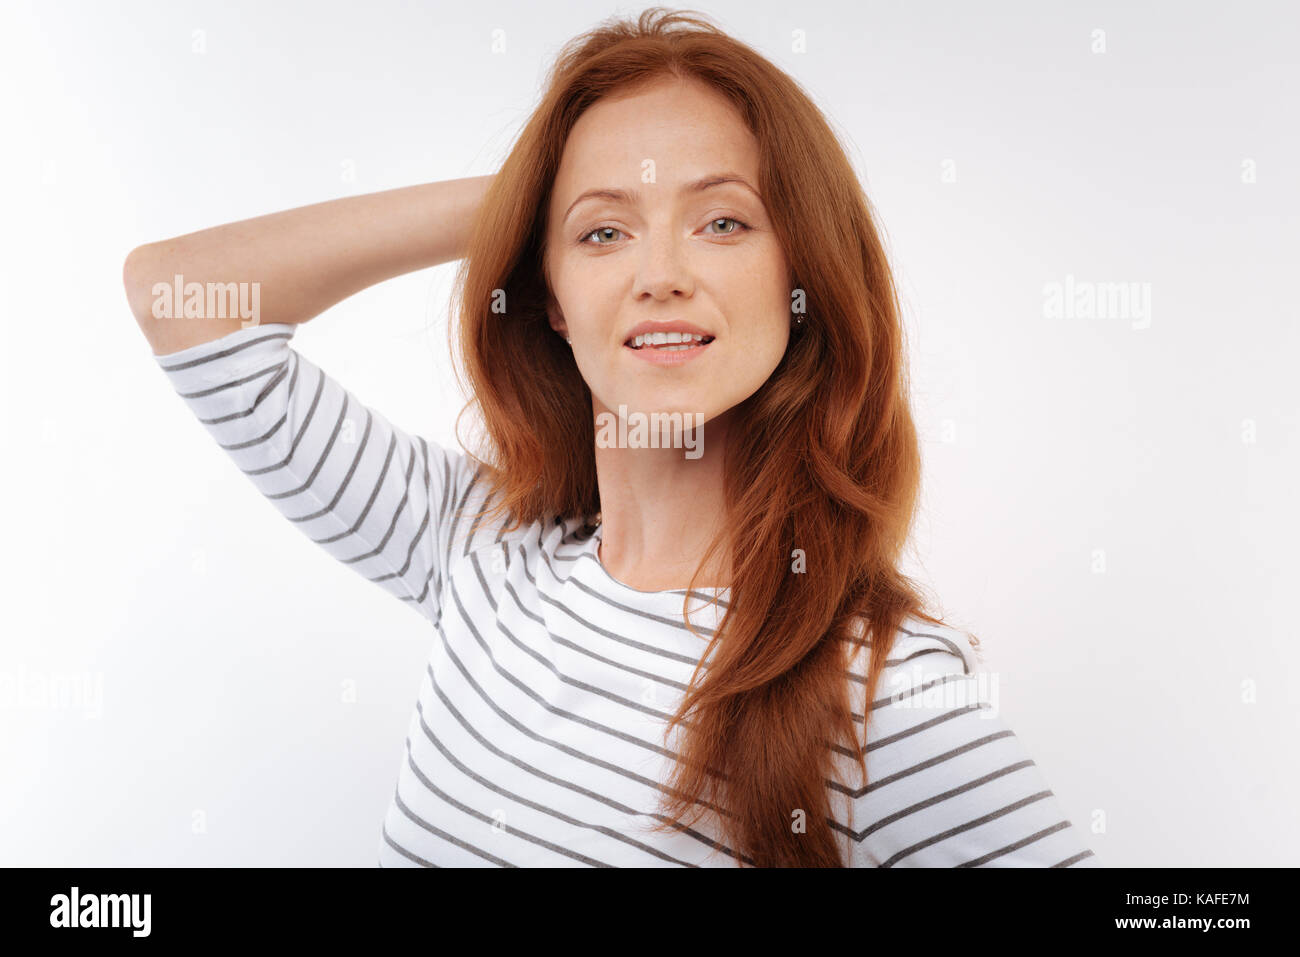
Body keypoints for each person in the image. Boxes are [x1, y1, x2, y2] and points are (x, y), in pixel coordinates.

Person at [122, 7, 1098, 868]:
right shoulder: (475, 547)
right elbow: (182, 297)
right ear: (549, 297)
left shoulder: (879, 689)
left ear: (801, 280)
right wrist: (525, 198)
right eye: (602, 235)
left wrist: (588, 208)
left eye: (722, 222)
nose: (660, 273)